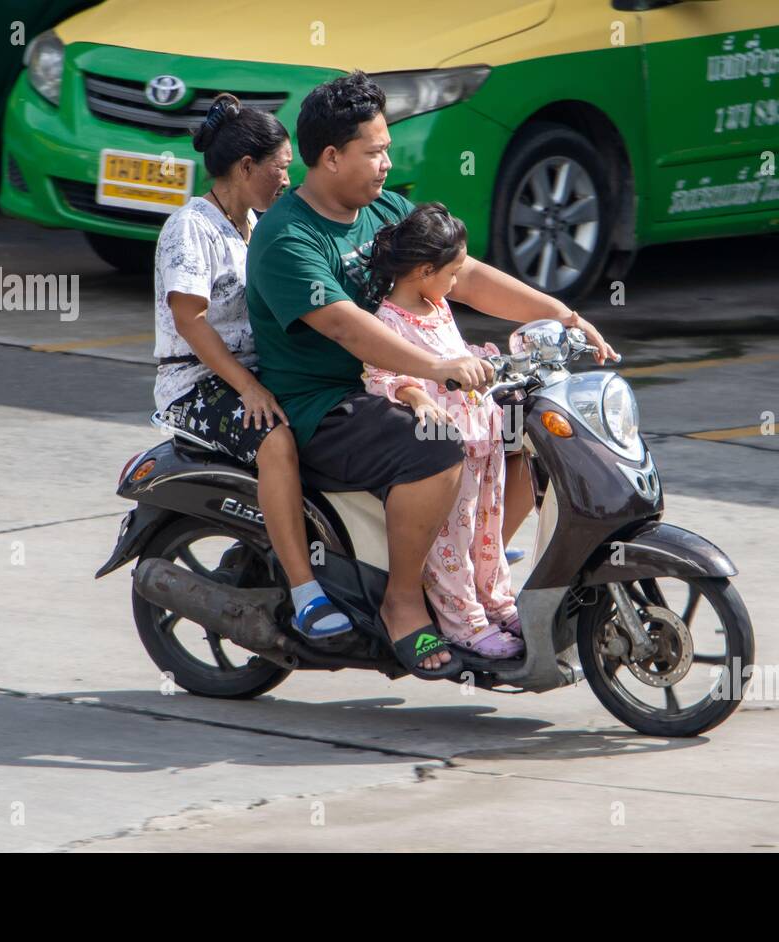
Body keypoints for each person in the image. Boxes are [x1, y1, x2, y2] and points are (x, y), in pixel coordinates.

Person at [246, 71, 617, 678]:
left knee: (530, 426)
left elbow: (461, 274)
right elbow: (346, 328)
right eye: (375, 151)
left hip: (402, 384)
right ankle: (403, 603)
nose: (387, 162)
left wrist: (562, 315)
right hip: (327, 404)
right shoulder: (287, 237)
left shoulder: (384, 209)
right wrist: (440, 369)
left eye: (387, 147)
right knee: (436, 443)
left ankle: (478, 581)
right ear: (332, 157)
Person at [154, 93, 350, 640]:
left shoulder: (261, 224)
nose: (288, 180)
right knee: (277, 442)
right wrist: (247, 389)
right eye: (281, 169)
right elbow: (191, 321)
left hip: (256, 375)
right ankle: (307, 593)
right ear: (246, 168)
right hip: (197, 384)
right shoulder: (192, 226)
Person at [361, 204, 523, 659]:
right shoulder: (385, 321)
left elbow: (453, 353)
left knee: (486, 529)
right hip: (444, 447)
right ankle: (463, 623)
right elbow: (380, 377)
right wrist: (418, 397)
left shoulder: (438, 305)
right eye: (452, 272)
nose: (457, 281)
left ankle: (496, 601)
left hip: (483, 435)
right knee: (451, 538)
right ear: (425, 270)